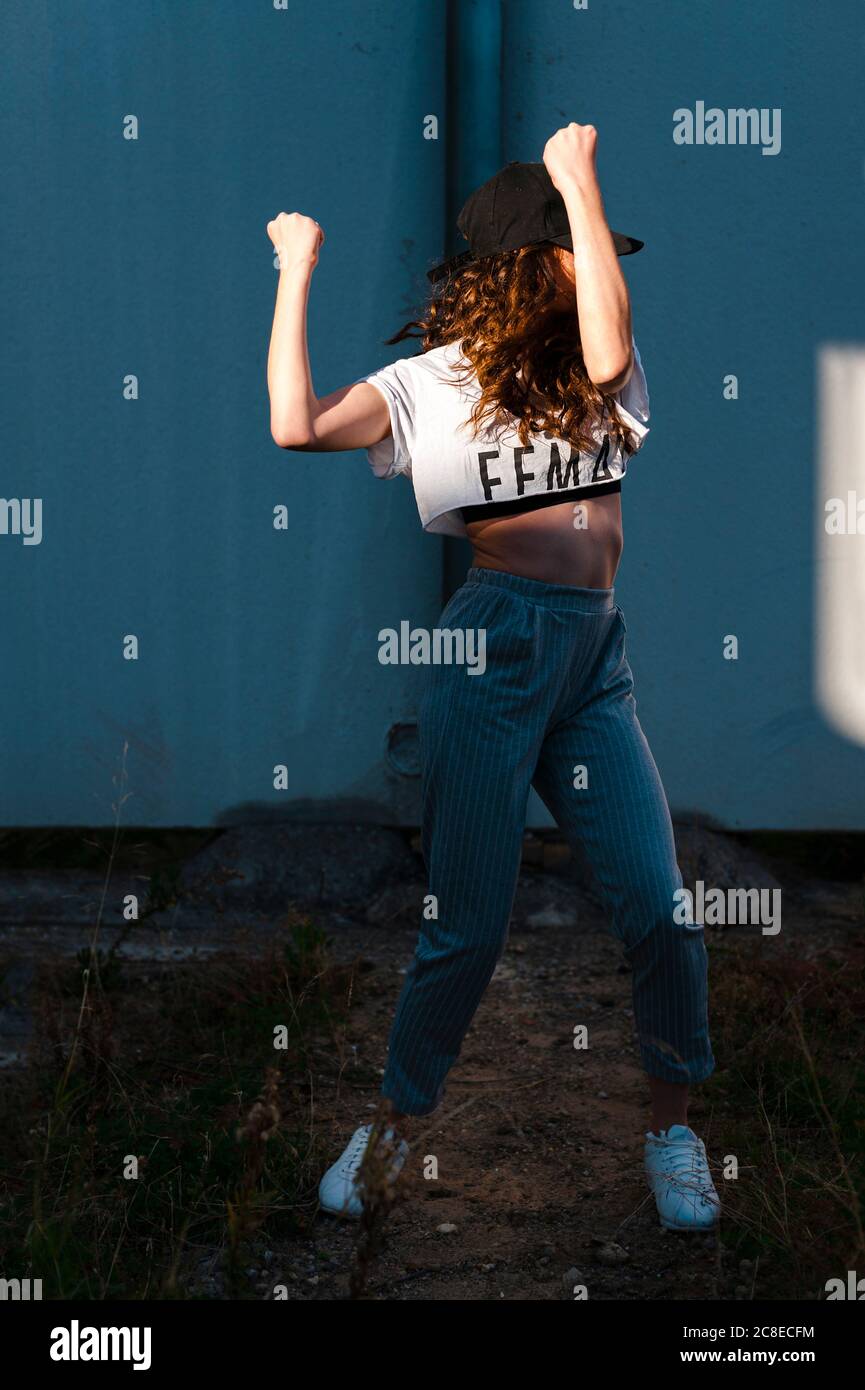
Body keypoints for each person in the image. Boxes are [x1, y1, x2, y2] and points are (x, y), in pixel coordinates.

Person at [266, 124, 720, 1234]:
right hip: (494, 647)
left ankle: (673, 1129)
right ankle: (393, 1127)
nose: (597, 257)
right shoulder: (430, 382)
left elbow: (609, 353)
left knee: (661, 910)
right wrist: (295, 274)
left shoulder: (595, 354)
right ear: (536, 258)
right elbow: (295, 426)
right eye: (577, 242)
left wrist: (583, 193)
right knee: (466, 924)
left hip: (591, 656)